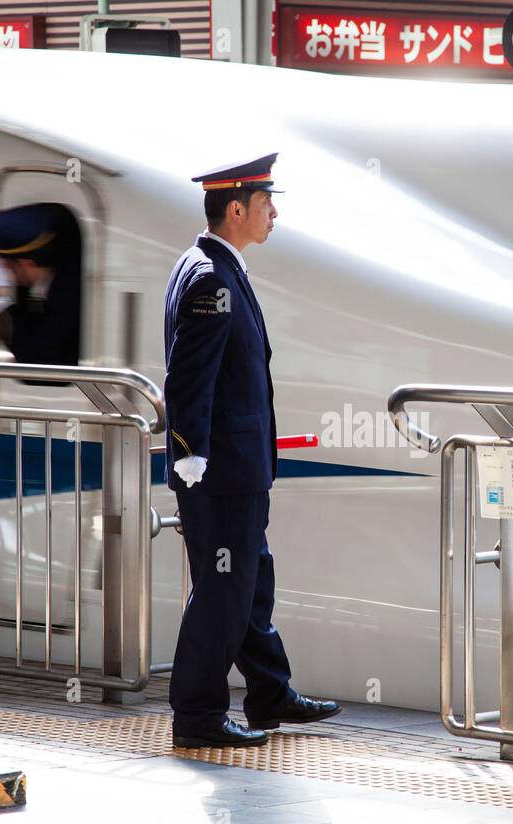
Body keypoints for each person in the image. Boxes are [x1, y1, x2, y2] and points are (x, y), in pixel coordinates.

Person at [163, 153, 341, 748]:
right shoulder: (211, 278)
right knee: (222, 593)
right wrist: (190, 452)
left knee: (250, 581)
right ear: (235, 208)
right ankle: (197, 716)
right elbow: (190, 376)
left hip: (238, 470)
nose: (274, 213)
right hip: (219, 475)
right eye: (266, 203)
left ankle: (268, 691)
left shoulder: (212, 266)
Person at [0, 203, 82, 368]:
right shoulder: (53, 287)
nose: (10, 277)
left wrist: (2, 313)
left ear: (27, 264)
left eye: (10, 267)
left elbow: (38, 357)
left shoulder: (63, 301)